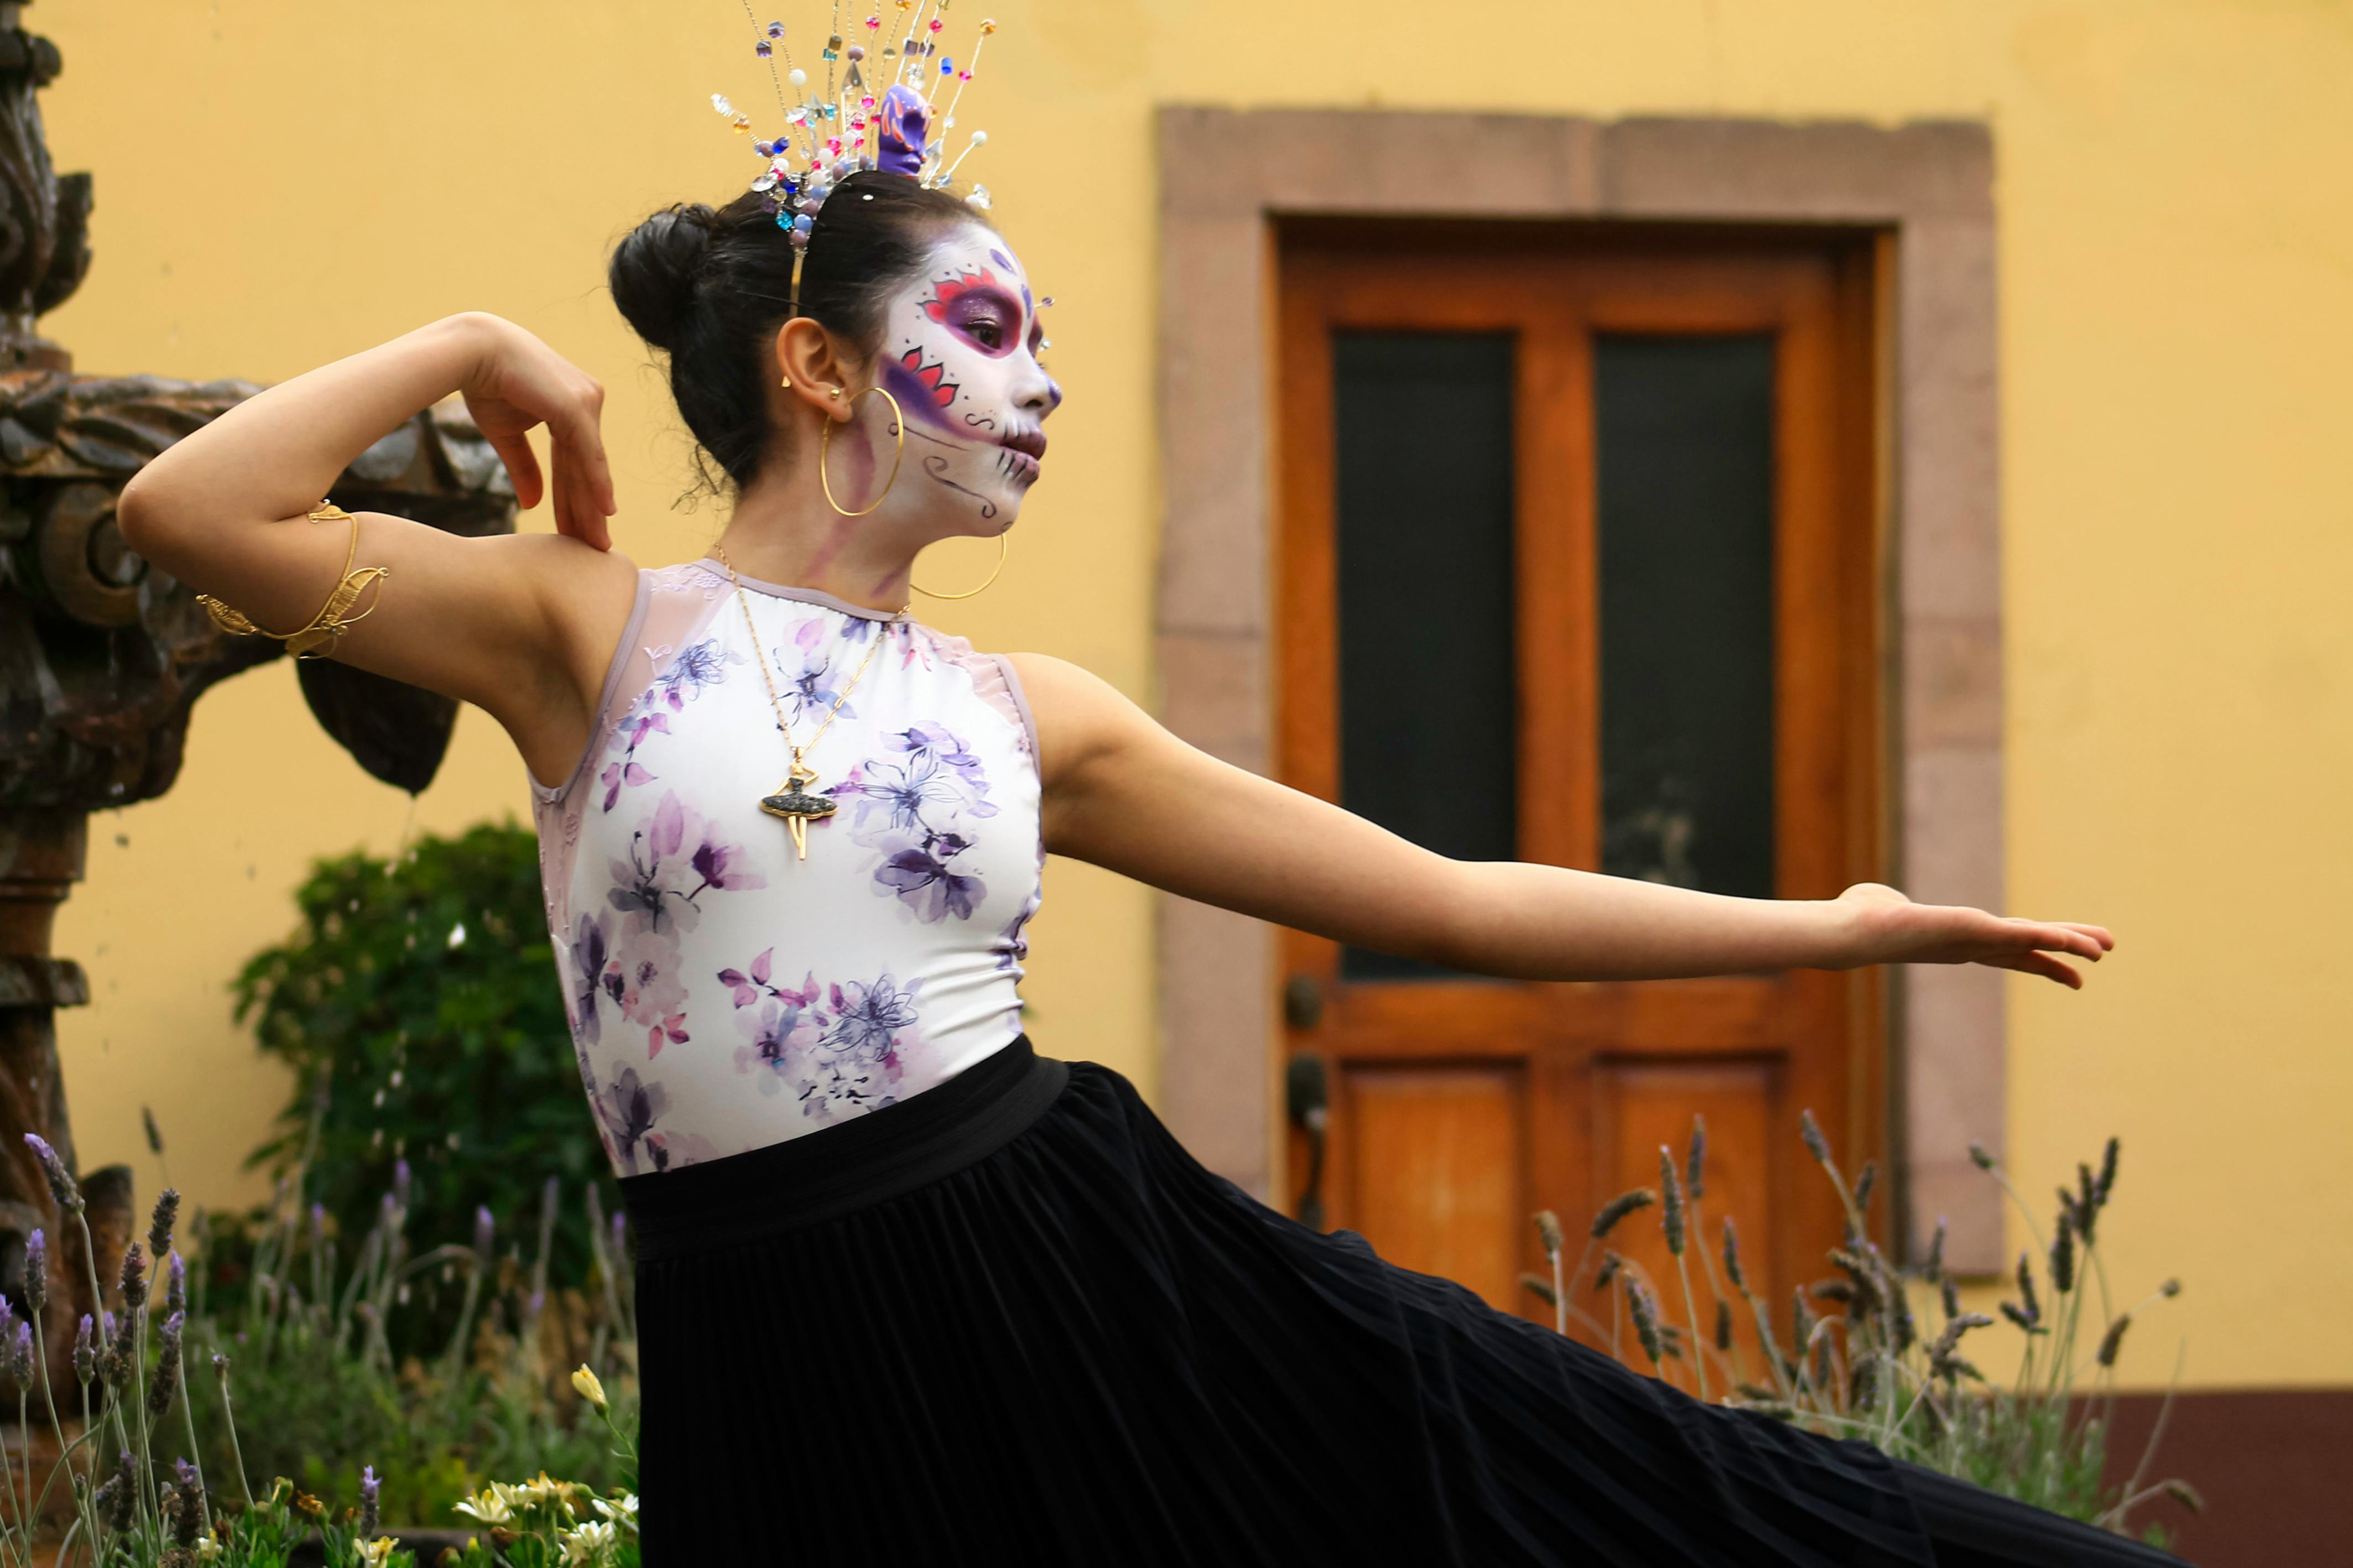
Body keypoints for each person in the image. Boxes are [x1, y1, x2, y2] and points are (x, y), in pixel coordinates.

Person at [119, 50, 2161, 1568]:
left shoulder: (1034, 717)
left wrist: (1840, 925)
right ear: (821, 369)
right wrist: (486, 346)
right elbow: (185, 513)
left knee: (1642, 1504)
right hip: (764, 1336)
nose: (1042, 386)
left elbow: (1445, 895)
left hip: (1080, 1279)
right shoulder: (582, 630)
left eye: (1046, 343)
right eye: (991, 334)